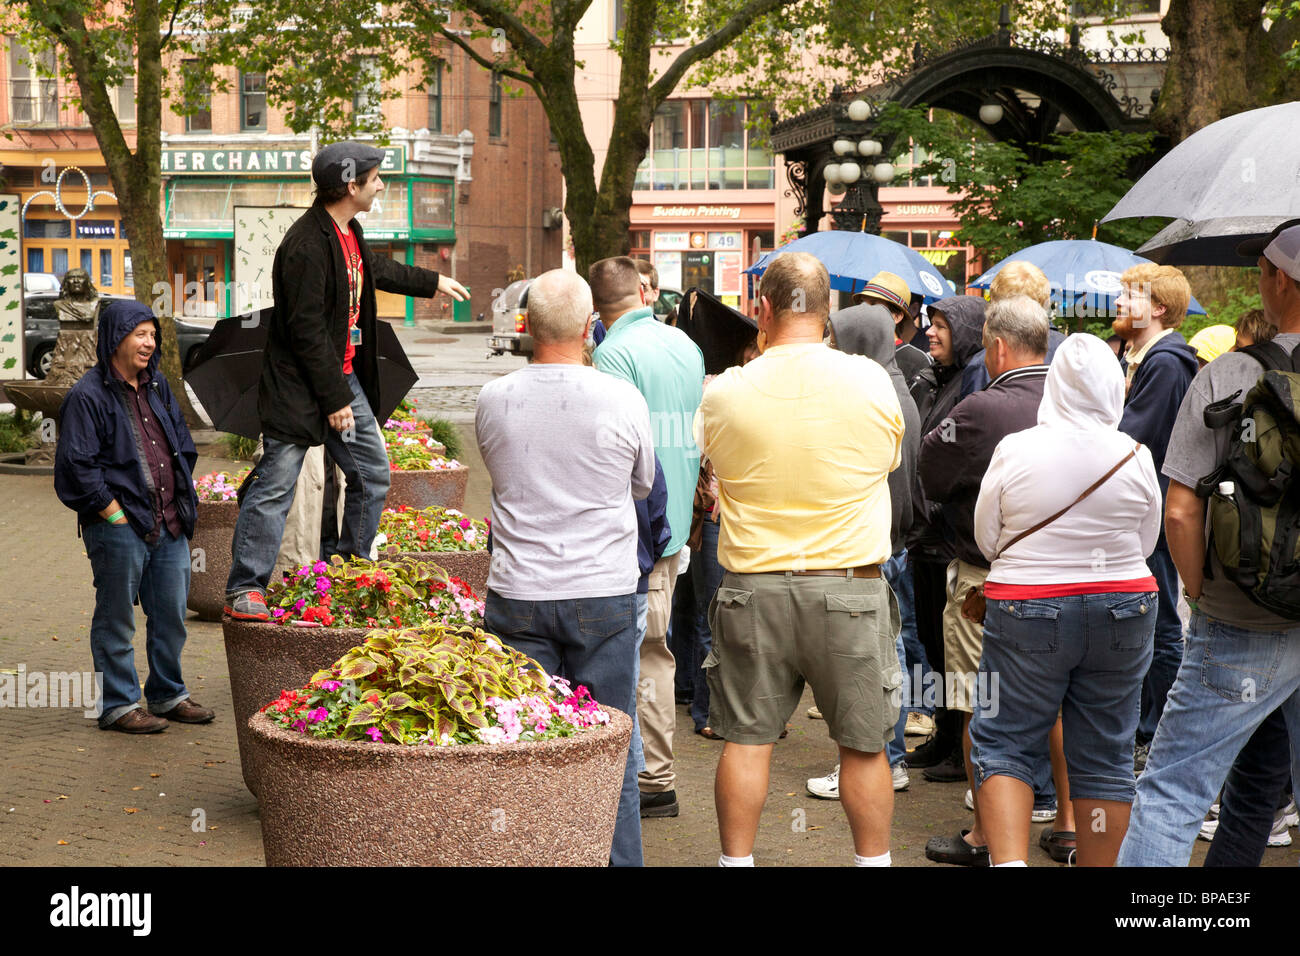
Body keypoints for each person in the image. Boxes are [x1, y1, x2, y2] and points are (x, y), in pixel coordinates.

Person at [697, 252, 904, 867]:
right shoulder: (869, 380)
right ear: (826, 309)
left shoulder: (726, 391)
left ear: (763, 308)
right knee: (863, 746)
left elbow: (714, 466)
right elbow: (888, 460)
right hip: (849, 586)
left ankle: (736, 863)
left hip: (753, 587)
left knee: (746, 739)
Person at [1118, 221, 1300, 865]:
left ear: (1280, 281)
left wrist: (1201, 593)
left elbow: (1180, 510)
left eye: (1263, 271)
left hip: (1241, 619)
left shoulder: (1227, 374)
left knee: (1173, 791)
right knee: (1264, 785)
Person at [224, 141, 467, 620]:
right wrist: (335, 399)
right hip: (300, 389)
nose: (382, 186)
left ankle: (349, 570)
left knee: (371, 473)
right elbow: (306, 331)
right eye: (375, 178)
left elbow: (377, 270)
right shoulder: (306, 246)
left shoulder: (347, 231)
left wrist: (432, 282)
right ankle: (244, 589)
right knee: (277, 486)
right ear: (351, 185)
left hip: (341, 377)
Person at [476, 268, 655, 866]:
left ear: (526, 325)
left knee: (521, 749)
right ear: (588, 328)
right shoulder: (622, 398)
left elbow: (502, 472)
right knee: (610, 751)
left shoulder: (494, 398)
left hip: (519, 594)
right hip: (603, 593)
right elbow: (643, 483)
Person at [970, 333, 1161, 866]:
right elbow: (1147, 542)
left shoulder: (1016, 449)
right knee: (1106, 755)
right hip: (1124, 607)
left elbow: (988, 537)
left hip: (1027, 607)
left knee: (1005, 742)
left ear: (1054, 386)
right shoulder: (1136, 455)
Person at [917, 294, 1052, 866]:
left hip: (984, 576)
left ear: (996, 346)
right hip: (1067, 581)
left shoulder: (981, 408)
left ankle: (983, 833)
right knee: (1057, 706)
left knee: (981, 701)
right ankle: (1069, 824)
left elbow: (930, 473)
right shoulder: (1079, 400)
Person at [54, 300, 211, 733]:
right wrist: (113, 514)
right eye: (140, 334)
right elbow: (76, 465)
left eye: (153, 335)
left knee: (171, 616)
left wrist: (179, 498)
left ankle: (167, 694)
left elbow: (182, 443)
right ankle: (119, 705)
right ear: (116, 338)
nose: (150, 343)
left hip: (168, 521)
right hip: (118, 526)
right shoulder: (87, 395)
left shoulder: (157, 385)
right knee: (116, 619)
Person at [591, 256, 705, 819]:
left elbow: (617, 451)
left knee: (647, 655)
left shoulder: (613, 354)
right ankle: (650, 771)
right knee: (654, 650)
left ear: (596, 307)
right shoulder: (684, 344)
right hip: (675, 524)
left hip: (641, 531)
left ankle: (654, 778)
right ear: (643, 291)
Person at [806, 303, 922, 799]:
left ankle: (883, 761)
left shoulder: (877, 397)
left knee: (871, 661)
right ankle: (886, 759)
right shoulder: (893, 388)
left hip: (873, 547)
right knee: (884, 654)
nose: (829, 349)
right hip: (889, 543)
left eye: (836, 340)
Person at [1112, 263, 1198, 774]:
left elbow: (1129, 438)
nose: (1119, 303)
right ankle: (1148, 733)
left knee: (1162, 627)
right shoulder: (1144, 358)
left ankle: (1157, 738)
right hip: (1148, 515)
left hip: (1158, 520)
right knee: (1153, 624)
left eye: (1130, 296)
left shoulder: (1165, 364)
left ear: (1159, 308)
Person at [903, 294, 986, 779]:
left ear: (966, 332)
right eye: (930, 323)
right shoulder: (932, 379)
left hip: (949, 538)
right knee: (934, 645)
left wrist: (933, 508)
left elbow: (961, 460)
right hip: (925, 537)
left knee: (956, 650)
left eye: (941, 326)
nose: (930, 332)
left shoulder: (970, 383)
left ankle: (960, 745)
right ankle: (943, 732)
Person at [962, 261, 1066, 397]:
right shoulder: (1070, 352)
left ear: (996, 304)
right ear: (1046, 301)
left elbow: (973, 409)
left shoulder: (984, 363)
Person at [856, 270, 930, 387]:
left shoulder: (917, 360)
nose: (864, 310)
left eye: (874, 304)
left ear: (897, 316)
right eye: (862, 303)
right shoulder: (852, 352)